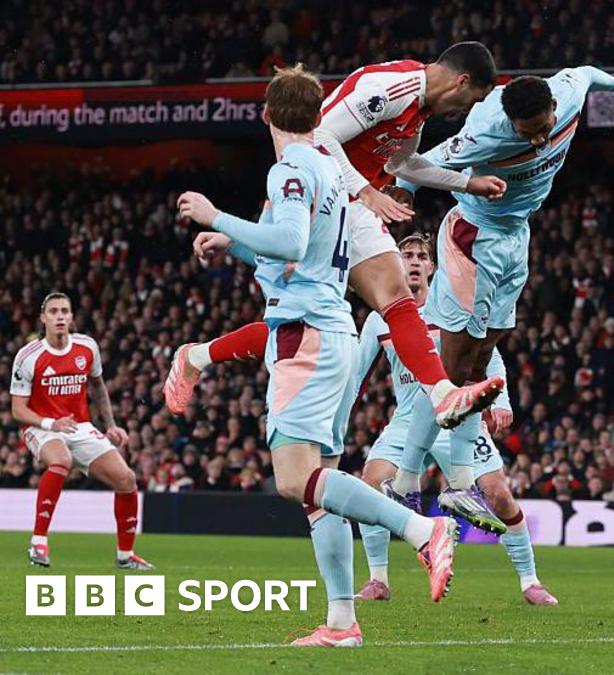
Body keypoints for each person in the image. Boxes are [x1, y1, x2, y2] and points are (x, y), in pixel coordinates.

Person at [177, 64, 458, 648]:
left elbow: (290, 243)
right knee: (318, 490)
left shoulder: (291, 170)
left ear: (266, 115)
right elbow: (295, 256)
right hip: (326, 329)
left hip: (304, 337)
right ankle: (340, 622)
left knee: (294, 481)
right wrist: (235, 244)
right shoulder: (331, 171)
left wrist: (214, 215)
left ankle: (423, 528)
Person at [165, 42, 506, 463]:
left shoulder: (418, 112)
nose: (462, 109)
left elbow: (403, 164)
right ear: (461, 81)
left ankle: (442, 394)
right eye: (469, 100)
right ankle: (196, 354)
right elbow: (320, 133)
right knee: (299, 320)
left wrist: (466, 183)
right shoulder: (390, 88)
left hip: (351, 203)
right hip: (320, 195)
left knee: (393, 298)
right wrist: (363, 189)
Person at [391, 65, 614, 534]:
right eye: (527, 135)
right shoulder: (482, 135)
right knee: (453, 372)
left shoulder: (564, 96)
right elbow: (410, 164)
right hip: (473, 235)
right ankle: (416, 480)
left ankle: (452, 484)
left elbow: (586, 72)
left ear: (553, 108)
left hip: (515, 235)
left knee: (484, 358)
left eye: (544, 128)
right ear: (511, 124)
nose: (539, 140)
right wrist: (400, 196)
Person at [344, 234, 558, 606]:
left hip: (459, 418)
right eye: (406, 255)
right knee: (372, 483)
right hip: (408, 420)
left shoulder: (450, 309)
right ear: (395, 263)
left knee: (498, 494)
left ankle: (530, 581)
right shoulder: (381, 319)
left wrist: (500, 399)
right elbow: (357, 375)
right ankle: (378, 580)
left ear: (431, 266)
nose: (413, 261)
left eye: (421, 256)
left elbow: (487, 354)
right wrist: (340, 415)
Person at [11, 292, 152, 570]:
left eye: (65, 311)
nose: (60, 316)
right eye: (53, 312)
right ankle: (39, 542)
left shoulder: (87, 347)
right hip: (41, 426)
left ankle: (125, 556)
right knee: (60, 460)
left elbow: (98, 387)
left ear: (72, 316)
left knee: (126, 479)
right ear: (43, 318)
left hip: (79, 426)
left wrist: (110, 424)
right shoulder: (29, 356)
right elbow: (18, 410)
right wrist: (52, 424)